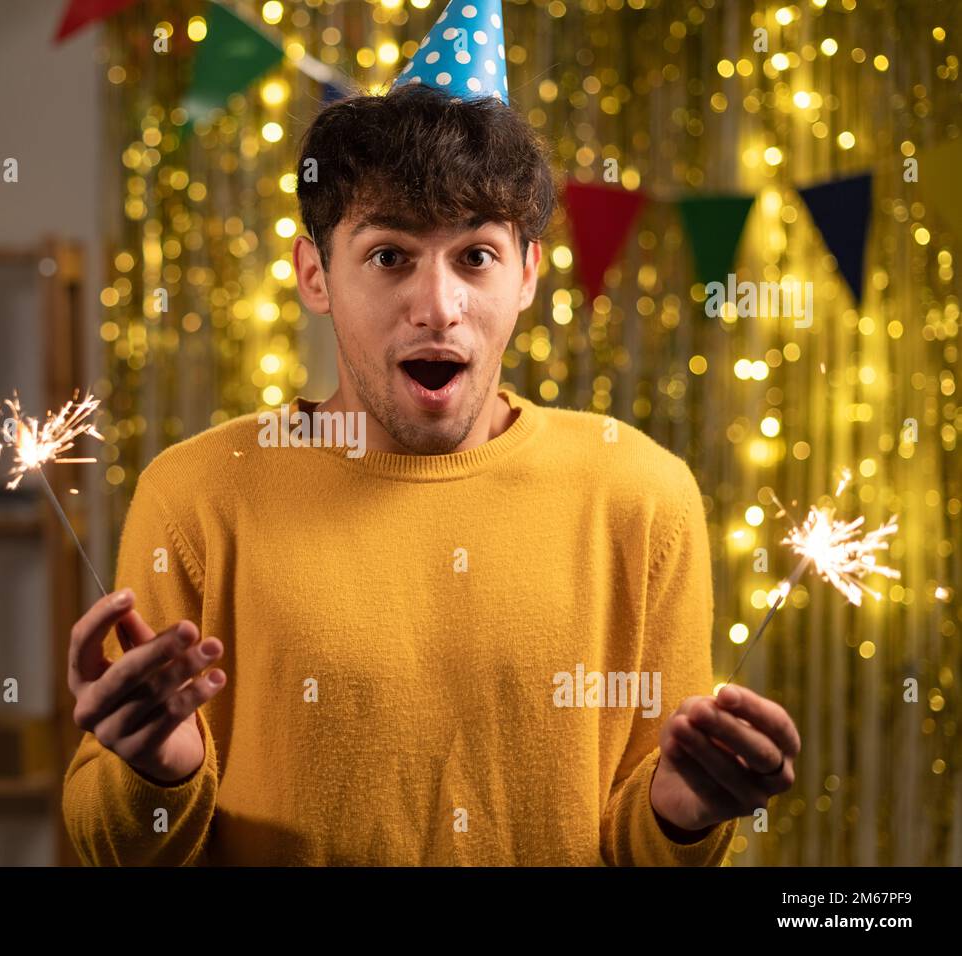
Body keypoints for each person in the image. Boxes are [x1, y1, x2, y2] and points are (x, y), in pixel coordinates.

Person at [61, 0, 800, 866]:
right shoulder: (196, 495)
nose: (438, 307)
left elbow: (648, 842)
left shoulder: (639, 494)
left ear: (527, 274)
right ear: (315, 274)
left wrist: (685, 813)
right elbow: (114, 847)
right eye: (389, 255)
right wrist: (157, 771)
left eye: (475, 256)